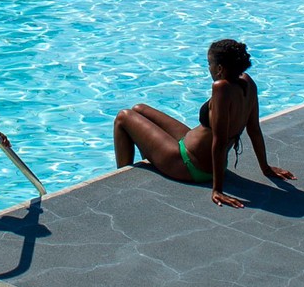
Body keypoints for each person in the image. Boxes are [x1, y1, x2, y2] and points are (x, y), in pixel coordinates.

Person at [112, 39, 293, 209]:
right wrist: (265, 168)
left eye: (209, 64)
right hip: (193, 149)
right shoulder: (247, 83)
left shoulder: (221, 88)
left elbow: (220, 140)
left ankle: (120, 181)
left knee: (123, 117)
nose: (209, 68)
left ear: (220, 68)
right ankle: (153, 157)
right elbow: (254, 129)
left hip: (189, 164)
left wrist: (217, 190)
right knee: (139, 108)